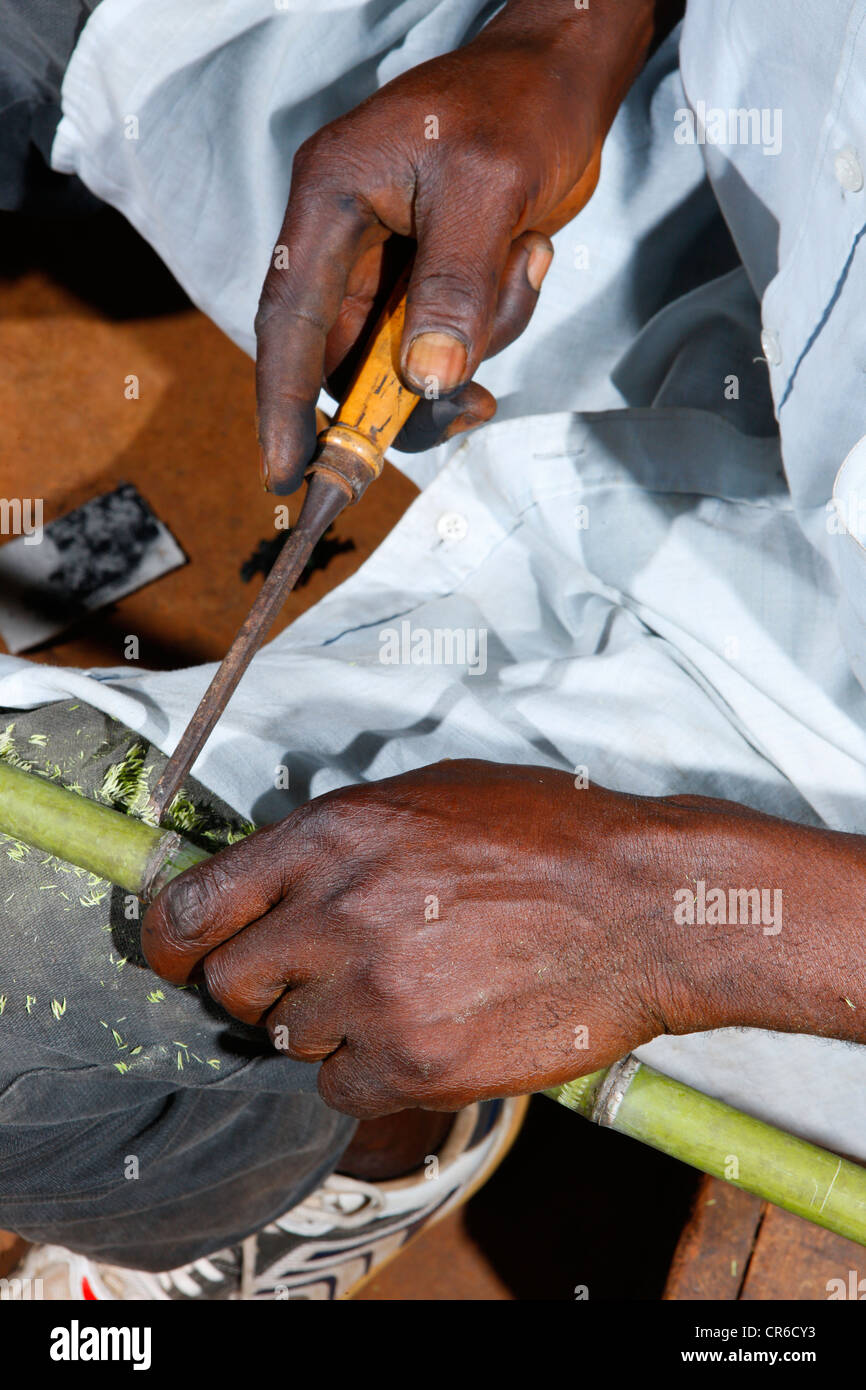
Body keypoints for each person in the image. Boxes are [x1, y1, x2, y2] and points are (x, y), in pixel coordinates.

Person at [3, 0, 866, 1300]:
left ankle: (352, 1139)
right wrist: (565, 36)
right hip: (703, 201)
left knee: (43, 955)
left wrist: (673, 921)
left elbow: (699, 916)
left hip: (792, 812)